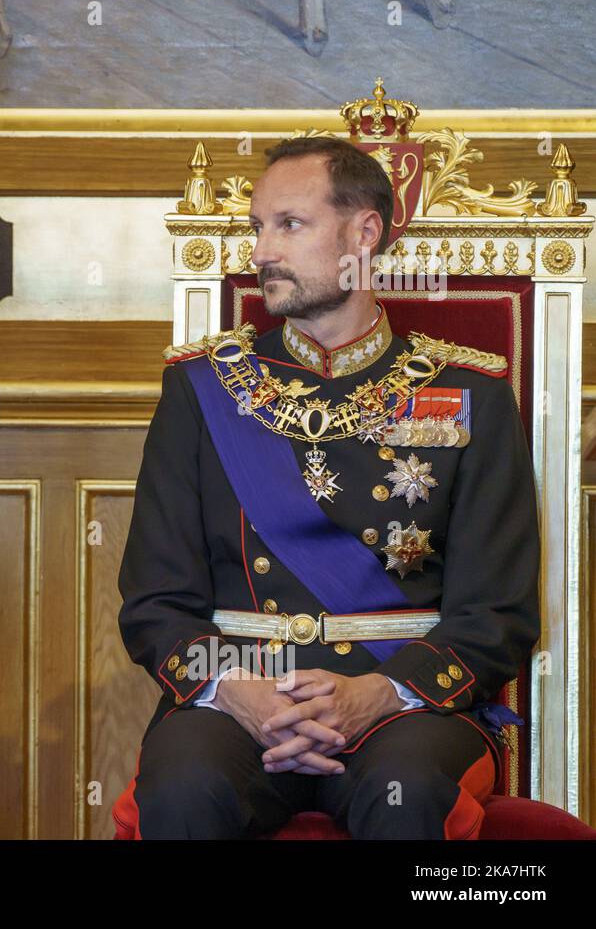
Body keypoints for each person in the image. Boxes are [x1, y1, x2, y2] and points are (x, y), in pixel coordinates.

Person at [117, 136, 539, 839]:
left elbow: (498, 613)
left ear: (363, 234)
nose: (260, 253)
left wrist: (378, 694)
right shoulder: (201, 390)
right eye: (257, 228)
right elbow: (157, 602)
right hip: (240, 700)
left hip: (405, 708)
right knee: (186, 788)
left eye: (289, 225)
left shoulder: (470, 394)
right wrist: (240, 693)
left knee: (405, 793)